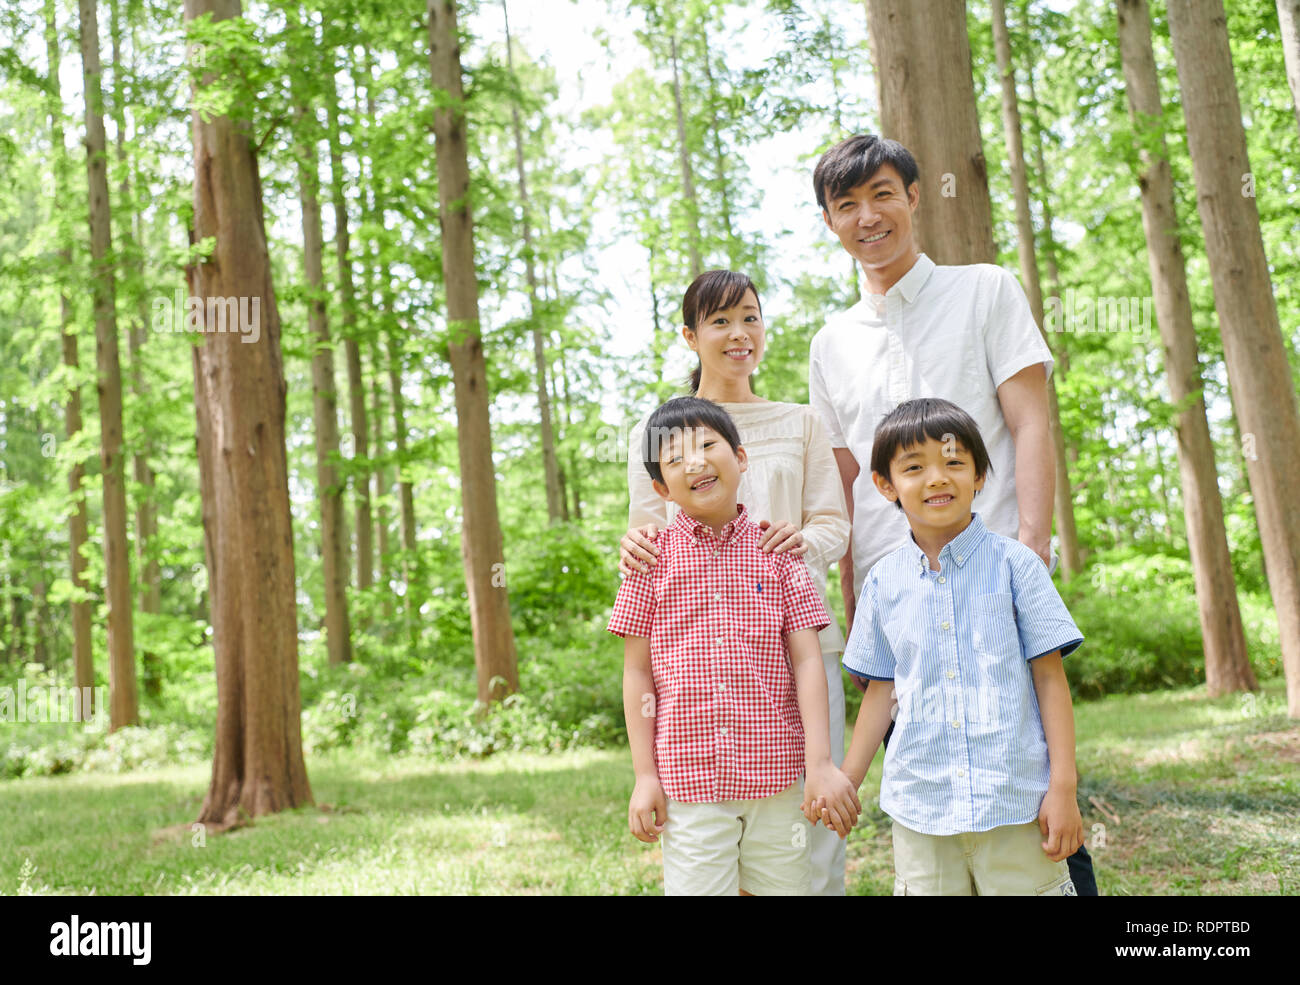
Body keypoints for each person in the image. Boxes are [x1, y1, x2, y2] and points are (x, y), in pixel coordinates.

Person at [808, 133, 1099, 895]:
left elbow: (1031, 420)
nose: (868, 216)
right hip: (896, 592)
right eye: (847, 206)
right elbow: (844, 473)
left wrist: (1032, 540)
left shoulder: (985, 289)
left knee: (1024, 785)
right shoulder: (830, 342)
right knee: (936, 792)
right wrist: (851, 580)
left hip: (996, 571)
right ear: (830, 223)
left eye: (882, 195)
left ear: (912, 197)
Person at [619, 270, 853, 895]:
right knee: (712, 832)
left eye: (749, 316)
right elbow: (645, 533)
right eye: (720, 321)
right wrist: (631, 548)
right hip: (695, 660)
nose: (738, 333)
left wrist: (795, 545)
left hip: (795, 640)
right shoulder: (665, 426)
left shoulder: (801, 421)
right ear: (691, 336)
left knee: (807, 832)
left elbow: (834, 522)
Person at [817, 398, 1083, 895]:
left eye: (954, 462)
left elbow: (1051, 680)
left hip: (1014, 802)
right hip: (922, 806)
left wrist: (1063, 786)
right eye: (914, 468)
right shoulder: (882, 583)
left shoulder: (1016, 567)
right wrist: (847, 781)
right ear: (885, 485)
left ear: (980, 476)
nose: (937, 478)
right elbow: (880, 693)